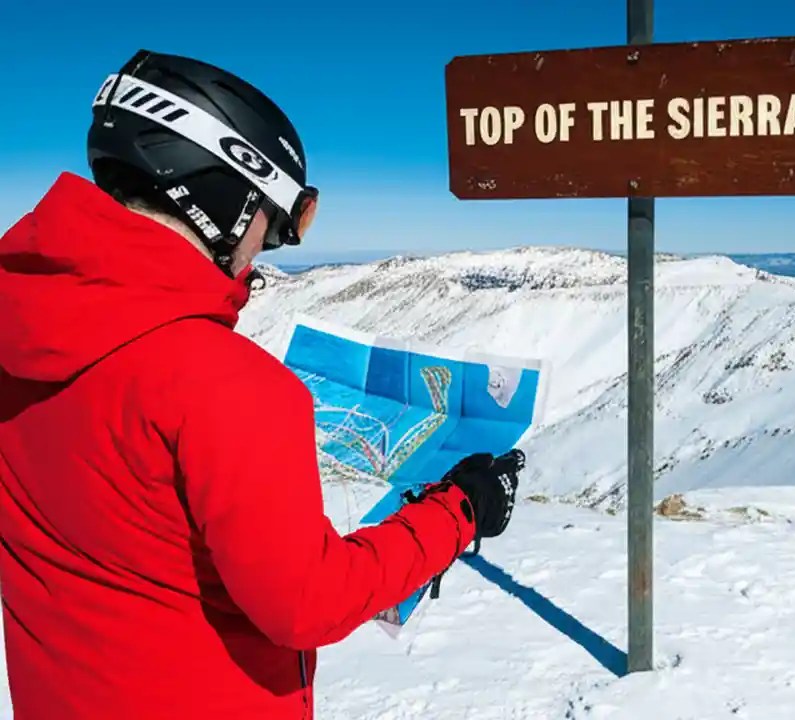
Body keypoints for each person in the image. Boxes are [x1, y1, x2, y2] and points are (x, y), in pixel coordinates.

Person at [0, 50, 521, 719]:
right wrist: (462, 510)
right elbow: (310, 602)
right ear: (223, 194)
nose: (264, 251)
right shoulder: (221, 381)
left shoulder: (21, 324)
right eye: (270, 223)